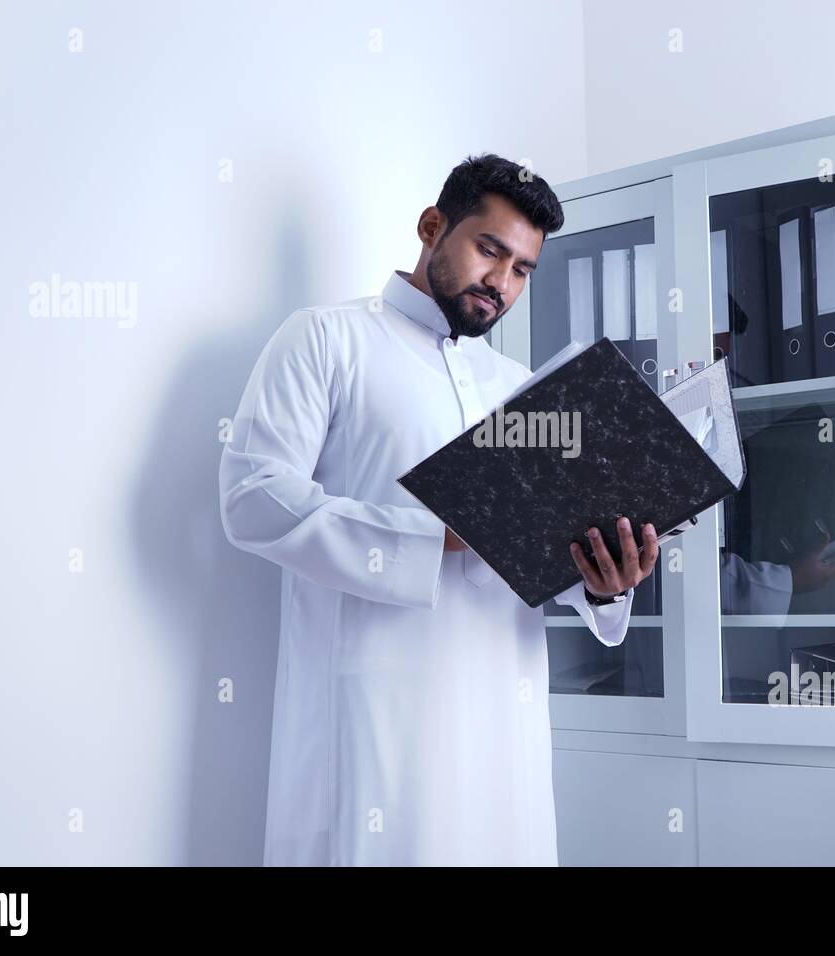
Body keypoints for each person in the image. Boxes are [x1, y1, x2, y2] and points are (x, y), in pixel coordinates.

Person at [218, 154, 658, 866]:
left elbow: (545, 548)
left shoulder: (523, 390)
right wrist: (435, 535)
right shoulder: (327, 339)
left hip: (500, 727)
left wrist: (606, 583)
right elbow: (252, 498)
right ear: (432, 226)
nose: (502, 283)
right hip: (374, 722)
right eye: (490, 250)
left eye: (522, 270)